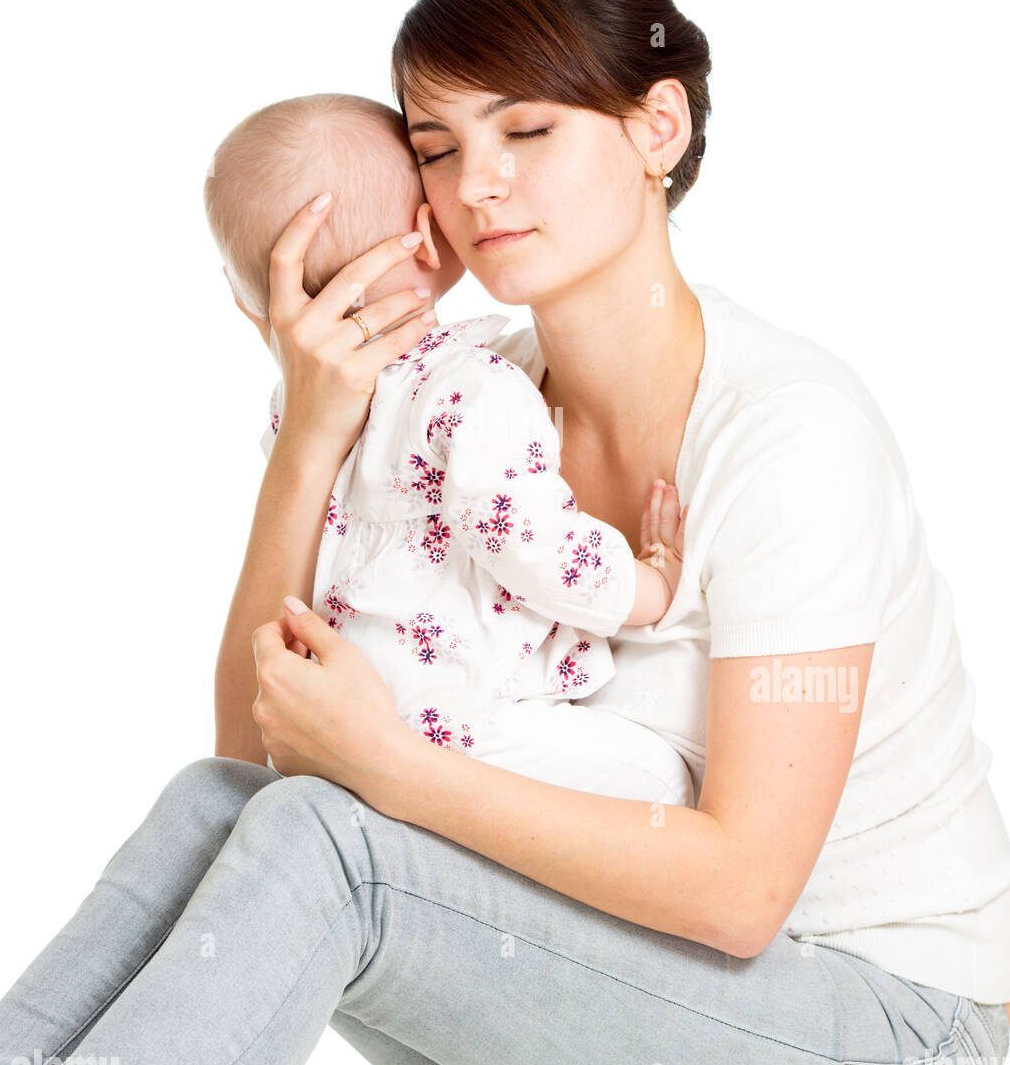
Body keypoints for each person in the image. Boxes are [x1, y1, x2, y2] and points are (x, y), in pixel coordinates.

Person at [0, 0, 1010, 1065]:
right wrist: (310, 437)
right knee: (217, 802)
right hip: (642, 969)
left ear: (655, 128)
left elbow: (743, 893)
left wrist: (394, 771)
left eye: (526, 130)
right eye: (436, 146)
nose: (476, 185)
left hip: (893, 1036)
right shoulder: (471, 403)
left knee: (338, 846)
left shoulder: (789, 434)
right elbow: (257, 748)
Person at [206, 93, 692, 803]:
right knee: (667, 783)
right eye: (437, 157)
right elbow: (531, 544)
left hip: (329, 712)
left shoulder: (298, 403)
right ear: (428, 240)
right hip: (463, 721)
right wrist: (653, 587)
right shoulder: (472, 389)